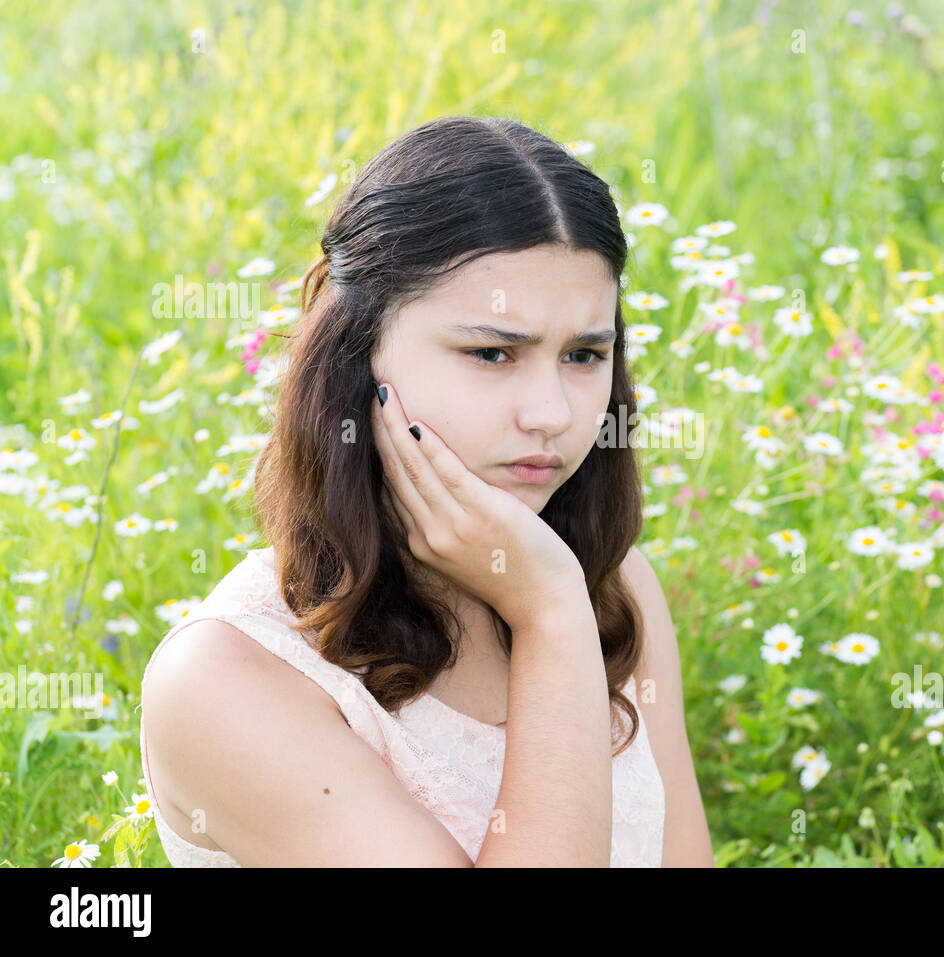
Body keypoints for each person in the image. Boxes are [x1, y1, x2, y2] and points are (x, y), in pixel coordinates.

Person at [138, 115, 714, 867]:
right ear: (358, 355)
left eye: (583, 353)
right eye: (492, 352)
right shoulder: (226, 677)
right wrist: (547, 617)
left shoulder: (614, 587)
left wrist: (558, 604)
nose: (553, 413)